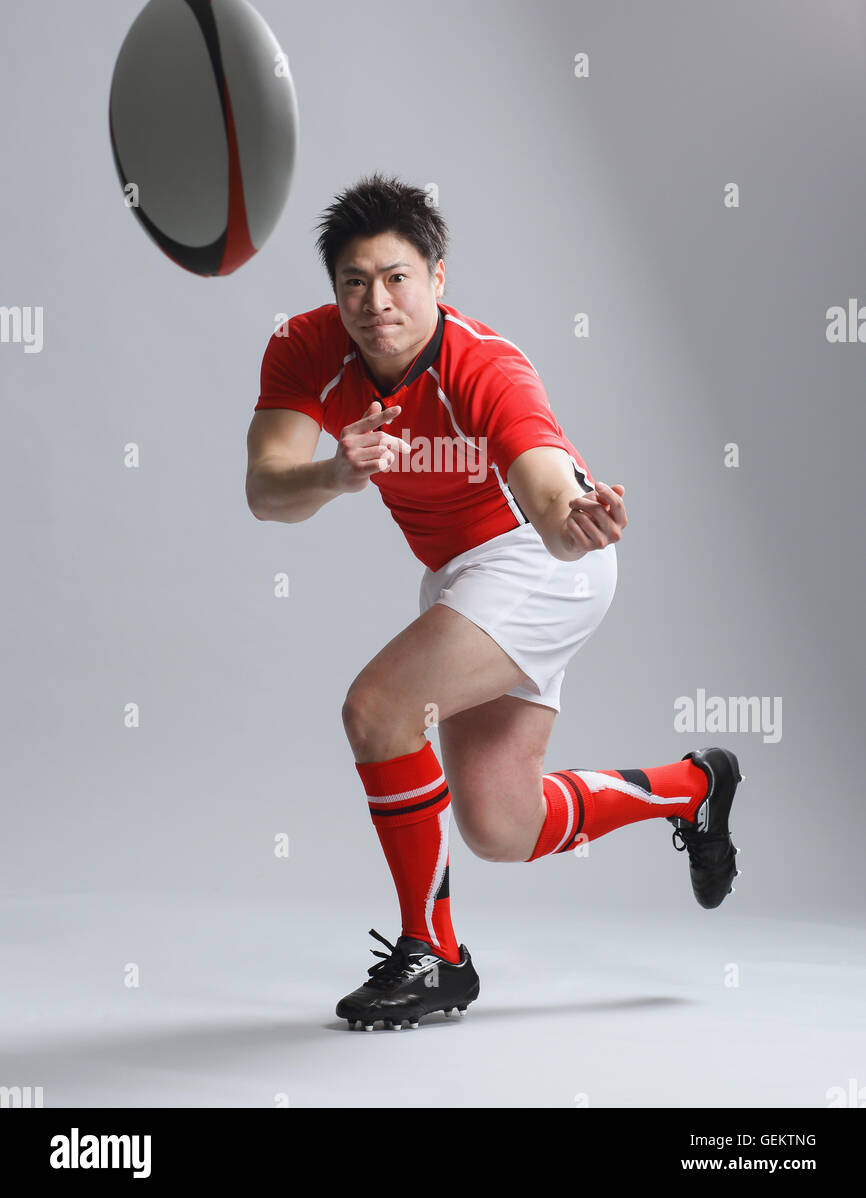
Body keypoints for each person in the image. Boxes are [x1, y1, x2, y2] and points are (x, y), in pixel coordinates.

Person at [245, 172, 743, 1033]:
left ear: (438, 277)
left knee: (378, 709)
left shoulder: (486, 364)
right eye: (355, 283)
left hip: (545, 560)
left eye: (398, 277)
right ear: (334, 292)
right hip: (465, 576)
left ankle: (432, 954)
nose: (377, 302)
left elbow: (547, 491)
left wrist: (570, 523)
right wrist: (335, 472)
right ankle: (692, 788)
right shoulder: (302, 347)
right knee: (500, 823)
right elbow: (264, 491)